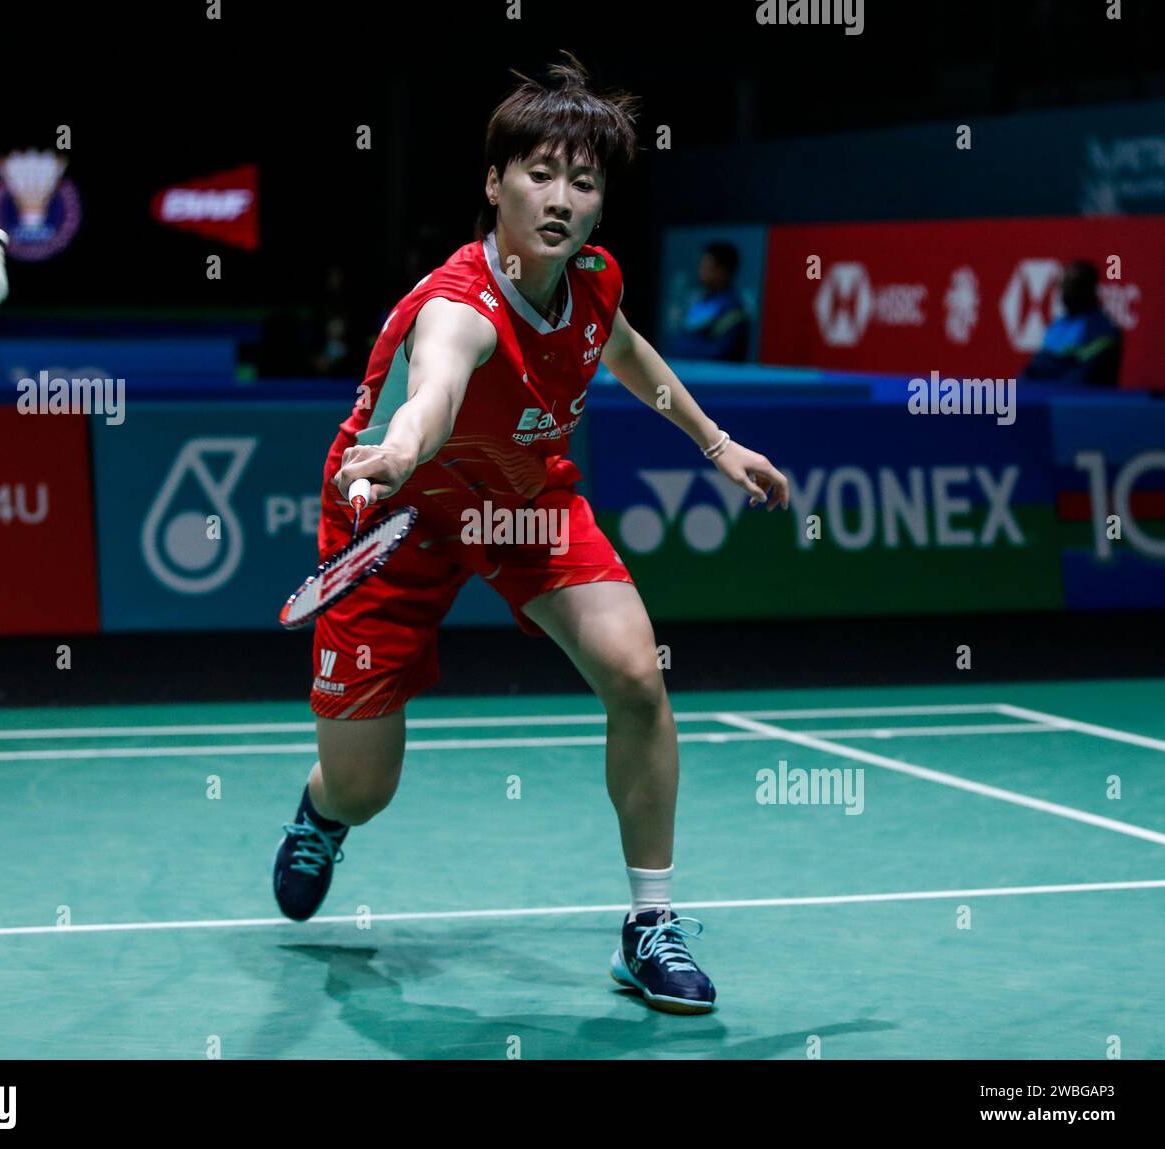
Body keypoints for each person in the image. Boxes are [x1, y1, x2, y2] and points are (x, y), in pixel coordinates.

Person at [272, 51, 790, 1015]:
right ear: (494, 182)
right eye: (539, 174)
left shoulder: (591, 280)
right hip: (393, 515)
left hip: (522, 501)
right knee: (364, 784)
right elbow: (435, 390)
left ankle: (649, 925)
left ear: (599, 202)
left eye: (583, 182)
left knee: (637, 673)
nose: (560, 198)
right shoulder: (459, 309)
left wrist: (717, 445)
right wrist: (398, 451)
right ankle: (322, 816)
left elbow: (624, 350)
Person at [1021, 260, 1122, 388]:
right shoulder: (1057, 326)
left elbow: (1084, 377)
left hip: (1076, 402)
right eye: (1064, 284)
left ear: (1089, 289)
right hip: (1042, 397)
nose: (1065, 291)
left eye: (1073, 285)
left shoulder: (1103, 331)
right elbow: (1034, 369)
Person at [668, 241, 750, 362]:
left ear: (723, 272)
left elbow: (719, 354)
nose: (701, 273)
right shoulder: (699, 303)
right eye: (701, 267)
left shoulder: (734, 312)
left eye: (707, 268)